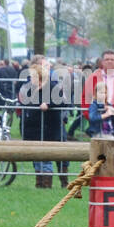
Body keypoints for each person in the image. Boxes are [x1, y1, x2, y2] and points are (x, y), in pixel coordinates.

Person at [19, 55, 67, 188]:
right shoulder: (29, 88)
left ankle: (47, 184)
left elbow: (63, 102)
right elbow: (23, 103)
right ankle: (39, 183)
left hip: (49, 128)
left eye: (34, 77)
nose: (31, 79)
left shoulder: (53, 87)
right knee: (37, 157)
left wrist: (49, 104)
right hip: (33, 128)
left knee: (46, 157)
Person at [85, 50, 114, 138]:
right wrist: (91, 116)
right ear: (102, 62)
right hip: (99, 121)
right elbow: (85, 97)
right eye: (107, 59)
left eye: (112, 59)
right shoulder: (93, 77)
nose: (109, 61)